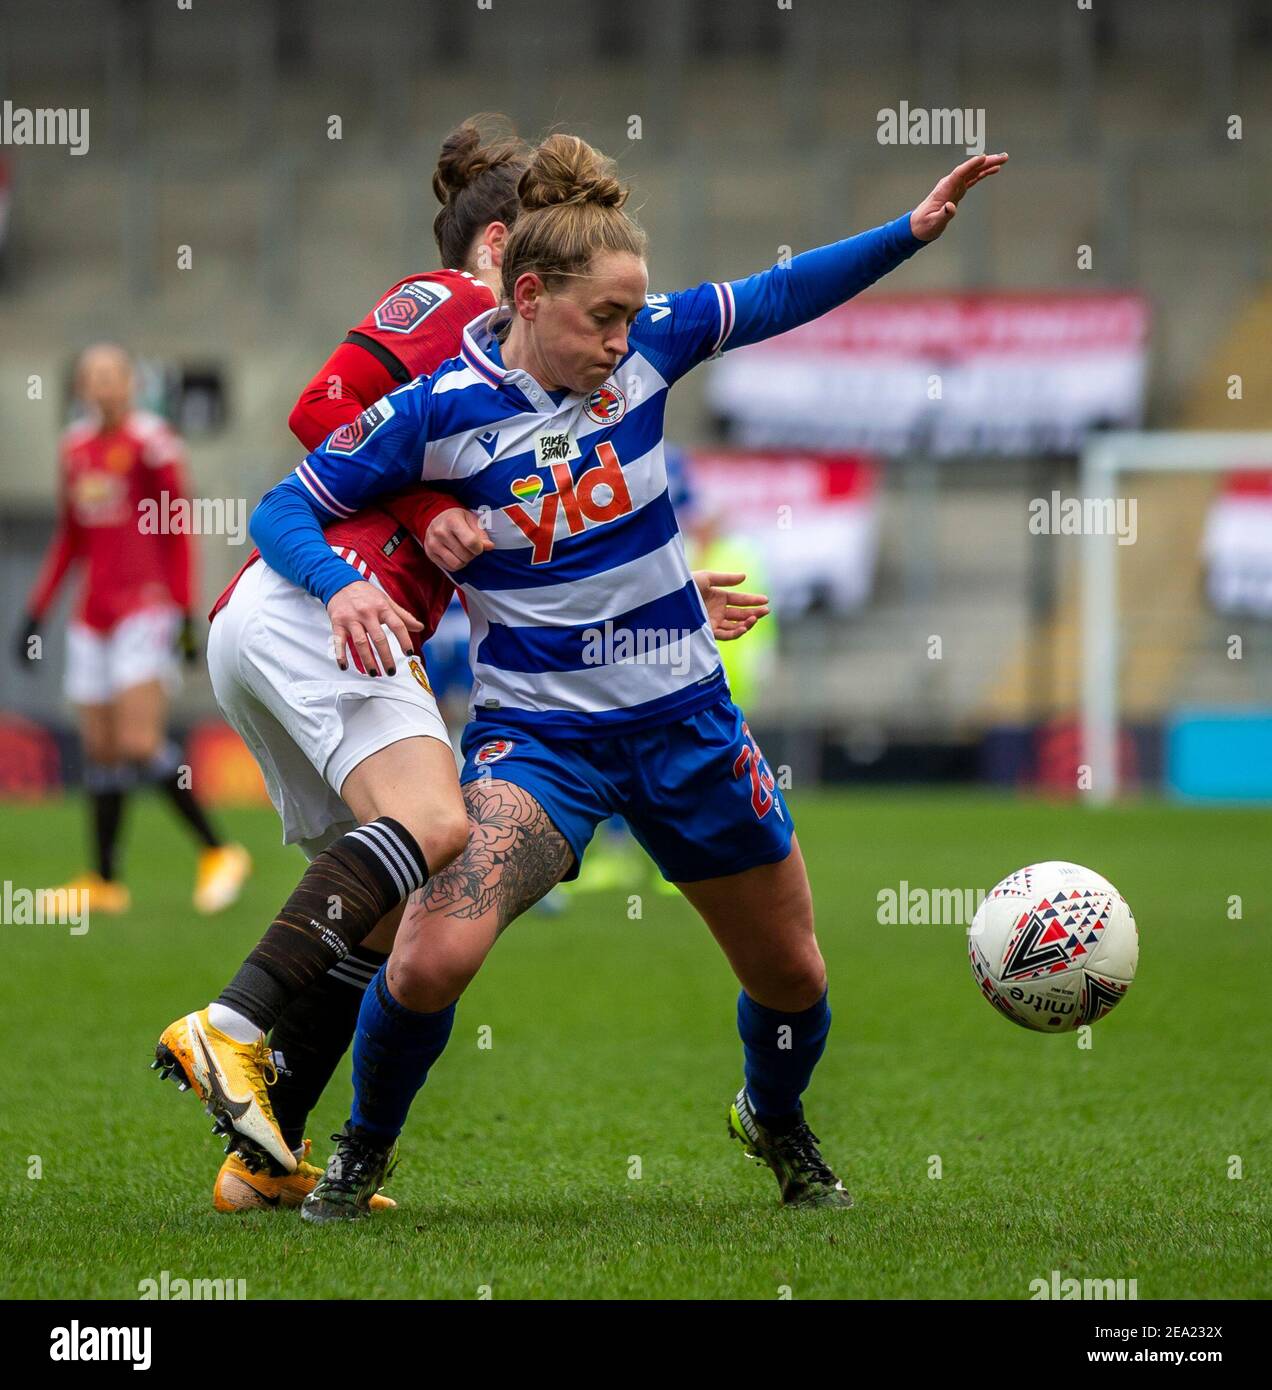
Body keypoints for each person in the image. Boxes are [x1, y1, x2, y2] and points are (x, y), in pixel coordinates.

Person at [244, 133, 1008, 1220]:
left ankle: (773, 1116)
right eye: (601, 315)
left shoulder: (652, 344)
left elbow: (783, 291)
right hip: (541, 746)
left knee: (792, 976)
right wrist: (339, 585)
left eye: (631, 312)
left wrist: (912, 231)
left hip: (687, 723)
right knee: (426, 960)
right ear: (528, 297)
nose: (622, 335)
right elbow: (284, 505)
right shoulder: (436, 408)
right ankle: (363, 1148)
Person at [153, 117, 768, 1212]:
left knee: (383, 898)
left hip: (307, 620)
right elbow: (320, 413)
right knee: (439, 829)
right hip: (319, 603)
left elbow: (537, 537)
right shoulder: (448, 307)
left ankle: (265, 1156)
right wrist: (427, 508)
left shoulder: (529, 389)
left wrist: (667, 598)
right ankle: (229, 1025)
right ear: (499, 247)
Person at [14, 343, 250, 916]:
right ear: (80, 389)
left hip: (145, 610)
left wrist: (187, 615)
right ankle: (104, 879)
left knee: (138, 742)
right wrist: (37, 610)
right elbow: (72, 537)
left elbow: (178, 528)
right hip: (91, 615)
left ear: (131, 382)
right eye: (91, 377)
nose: (102, 386)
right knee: (100, 749)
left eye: (112, 376)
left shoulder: (153, 444)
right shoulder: (75, 449)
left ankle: (219, 851)